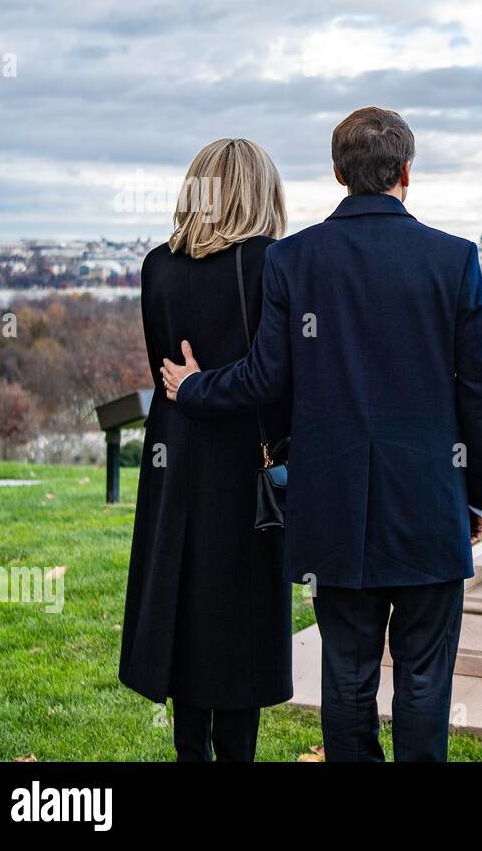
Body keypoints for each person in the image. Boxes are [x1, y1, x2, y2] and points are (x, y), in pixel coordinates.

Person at [160, 107, 482, 762]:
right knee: (425, 681)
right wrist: (480, 493)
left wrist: (195, 386)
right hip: (430, 504)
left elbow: (264, 378)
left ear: (338, 173)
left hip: (333, 508)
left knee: (346, 679)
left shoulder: (294, 259)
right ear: (407, 172)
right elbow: (477, 392)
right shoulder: (454, 260)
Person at [119, 138, 292, 761]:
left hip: (174, 464)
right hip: (246, 469)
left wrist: (195, 387)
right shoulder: (274, 263)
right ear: (261, 192)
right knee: (239, 631)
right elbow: (277, 381)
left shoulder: (156, 266)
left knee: (184, 617)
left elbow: (164, 375)